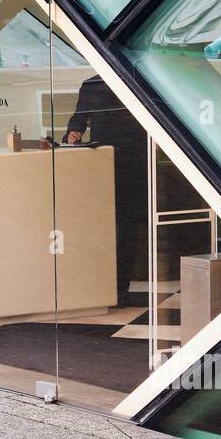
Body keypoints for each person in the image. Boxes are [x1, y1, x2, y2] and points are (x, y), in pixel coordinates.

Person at [63, 75, 148, 307]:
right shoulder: (93, 84)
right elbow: (78, 119)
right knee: (108, 229)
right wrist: (73, 133)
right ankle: (109, 287)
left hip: (132, 165)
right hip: (104, 165)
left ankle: (120, 289)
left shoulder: (131, 79)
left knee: (126, 229)